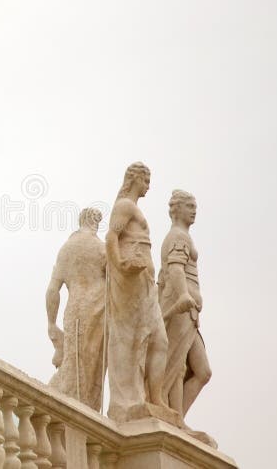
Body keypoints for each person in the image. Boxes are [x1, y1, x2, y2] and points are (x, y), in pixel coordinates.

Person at [104, 162, 172, 422]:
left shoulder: (133, 208)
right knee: (128, 335)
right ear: (135, 180)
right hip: (130, 277)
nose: (149, 186)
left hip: (144, 279)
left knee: (159, 340)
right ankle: (128, 400)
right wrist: (121, 264)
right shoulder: (125, 206)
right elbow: (111, 237)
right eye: (146, 180)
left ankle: (155, 399)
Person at [158, 190, 212, 424]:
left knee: (202, 371)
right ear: (176, 209)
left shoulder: (183, 236)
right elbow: (176, 269)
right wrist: (181, 296)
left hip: (191, 313)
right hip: (181, 308)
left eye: (194, 205)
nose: (194, 209)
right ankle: (173, 417)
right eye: (189, 205)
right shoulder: (178, 236)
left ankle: (177, 417)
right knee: (174, 366)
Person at [46, 208, 107, 411]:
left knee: (73, 362)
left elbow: (52, 290)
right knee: (91, 369)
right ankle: (81, 414)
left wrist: (51, 322)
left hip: (73, 312)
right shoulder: (100, 248)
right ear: (95, 222)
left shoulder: (66, 249)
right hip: (97, 310)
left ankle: (65, 405)